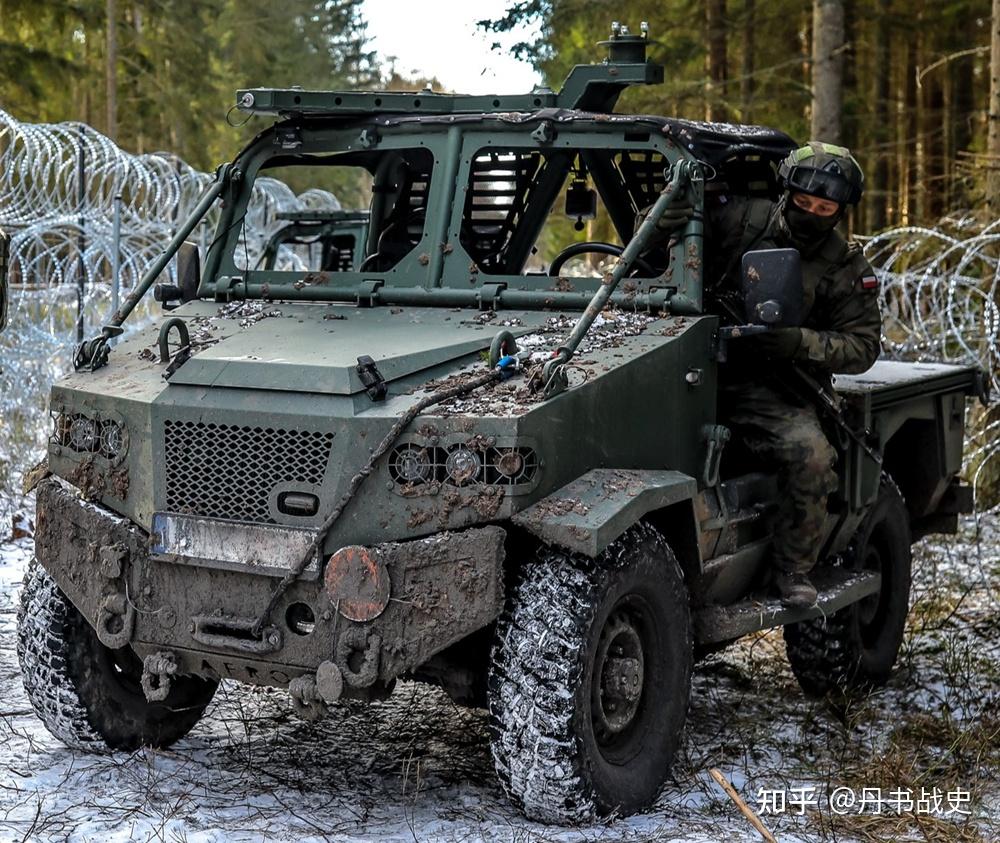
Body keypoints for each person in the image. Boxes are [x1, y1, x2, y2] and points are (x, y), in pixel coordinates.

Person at [703, 142, 882, 607]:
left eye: (826, 208)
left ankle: (793, 568)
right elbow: (667, 232)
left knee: (813, 456)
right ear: (788, 192)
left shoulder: (844, 265)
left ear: (841, 210)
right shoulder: (743, 219)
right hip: (695, 366)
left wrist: (798, 342)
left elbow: (863, 346)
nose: (813, 214)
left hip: (772, 386)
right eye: (804, 203)